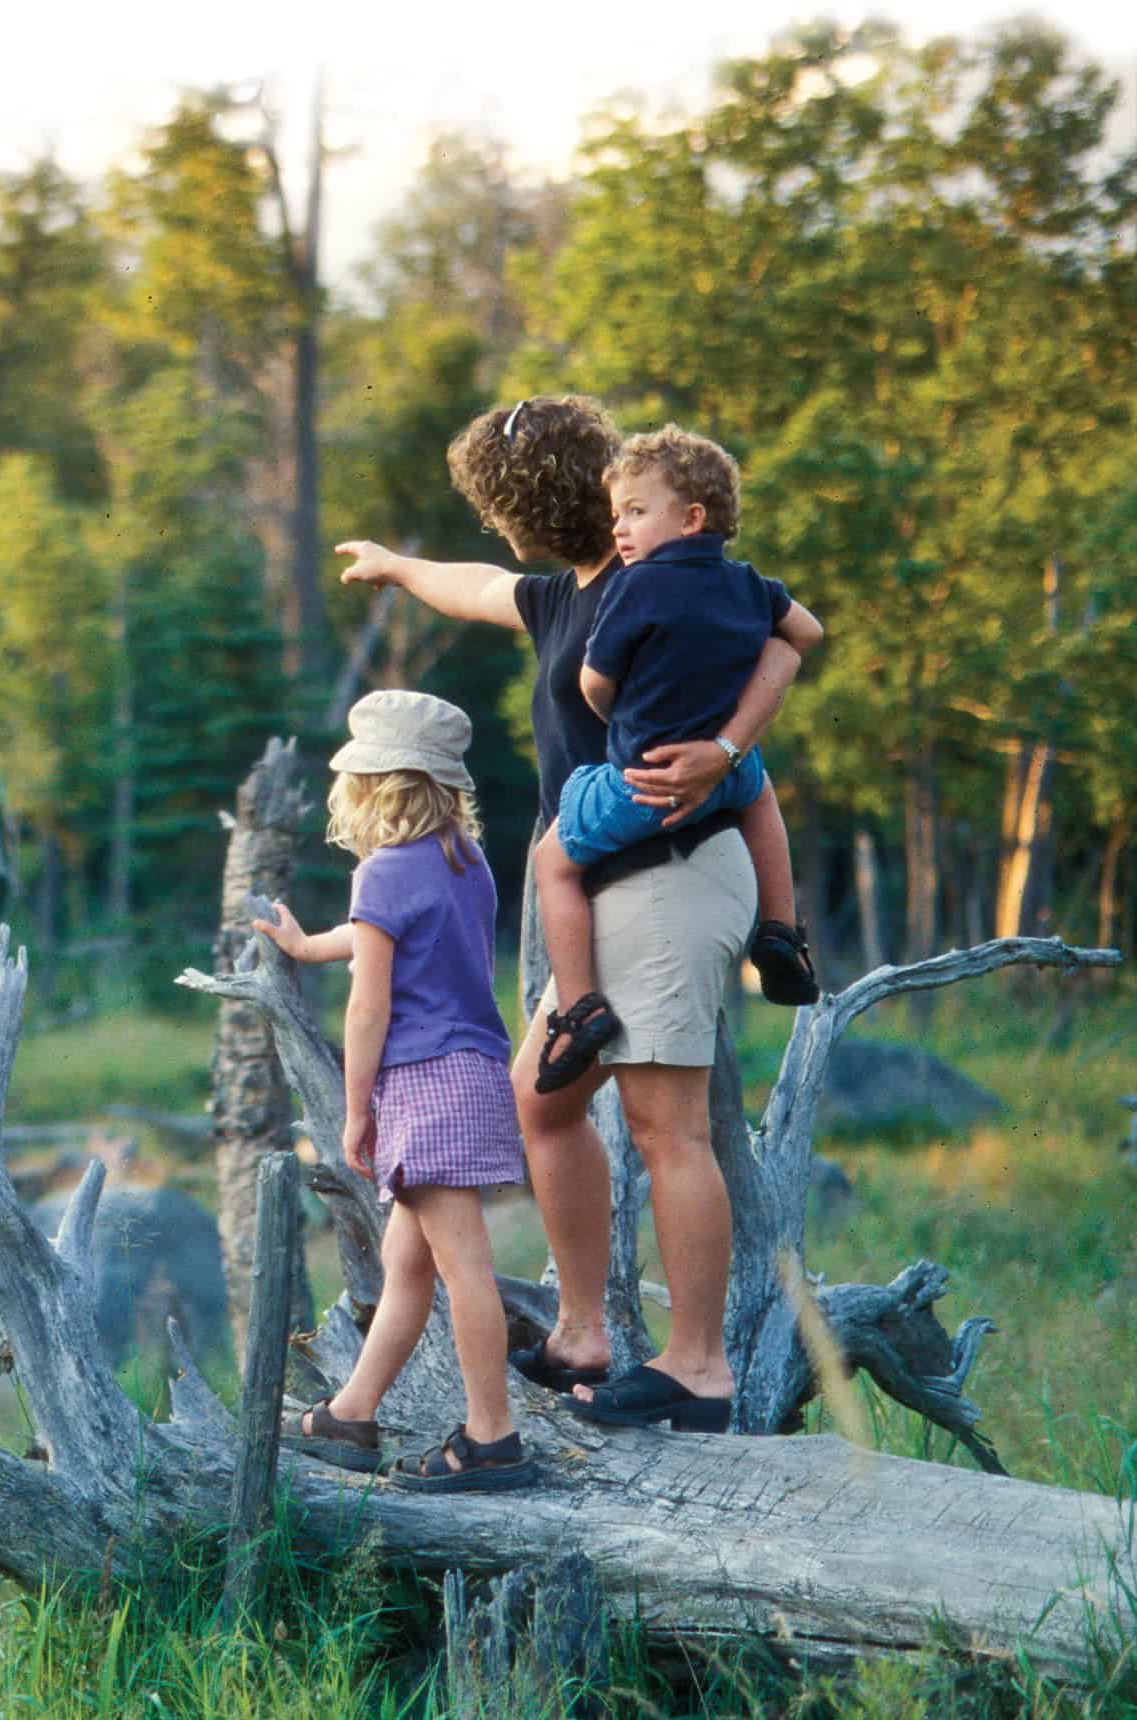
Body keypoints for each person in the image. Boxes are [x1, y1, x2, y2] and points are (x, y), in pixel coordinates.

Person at [335, 395, 814, 1433]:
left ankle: (697, 1368)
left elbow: (783, 654)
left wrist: (726, 751)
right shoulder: (571, 594)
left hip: (668, 876)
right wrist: (396, 565)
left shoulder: (657, 591)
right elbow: (475, 588)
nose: (491, 531)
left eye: (496, 509)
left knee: (665, 1127)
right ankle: (584, 1332)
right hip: (610, 888)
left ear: (531, 505)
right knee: (544, 1100)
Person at [255, 689, 535, 1490]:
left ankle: (492, 1436)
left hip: (423, 1083)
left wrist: (354, 1114)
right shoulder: (463, 860)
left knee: (464, 1269)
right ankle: (353, 1411)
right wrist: (308, 945)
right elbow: (386, 933)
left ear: (374, 785)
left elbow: (369, 1004)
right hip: (474, 1071)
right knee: (407, 1266)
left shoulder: (381, 871)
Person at [528, 425, 827, 1093]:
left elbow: (592, 681)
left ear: (691, 518)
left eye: (636, 512)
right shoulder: (748, 582)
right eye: (617, 514)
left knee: (552, 863)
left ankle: (579, 1010)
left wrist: (619, 718)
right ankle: (781, 930)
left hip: (646, 778)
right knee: (760, 795)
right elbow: (806, 633)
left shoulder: (635, 587)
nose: (620, 529)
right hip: (727, 771)